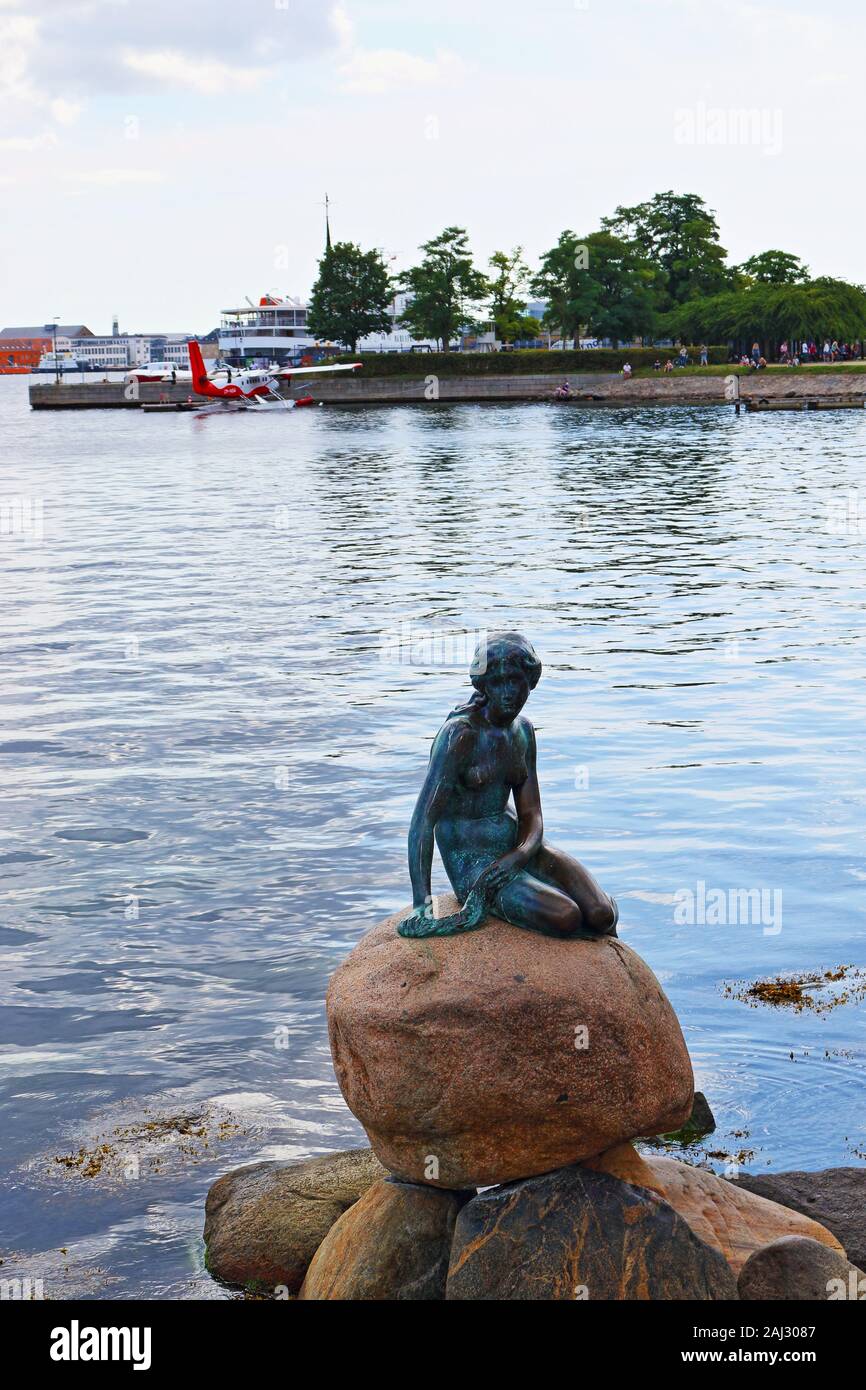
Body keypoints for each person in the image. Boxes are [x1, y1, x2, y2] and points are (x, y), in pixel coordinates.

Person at [399, 633, 618, 940]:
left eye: (516, 680)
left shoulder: (523, 732)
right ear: (484, 685)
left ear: (530, 680)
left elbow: (532, 816)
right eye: (498, 682)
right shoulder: (460, 736)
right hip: (476, 866)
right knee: (566, 916)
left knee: (602, 912)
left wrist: (519, 854)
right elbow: (422, 822)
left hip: (518, 849)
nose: (509, 692)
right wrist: (422, 903)